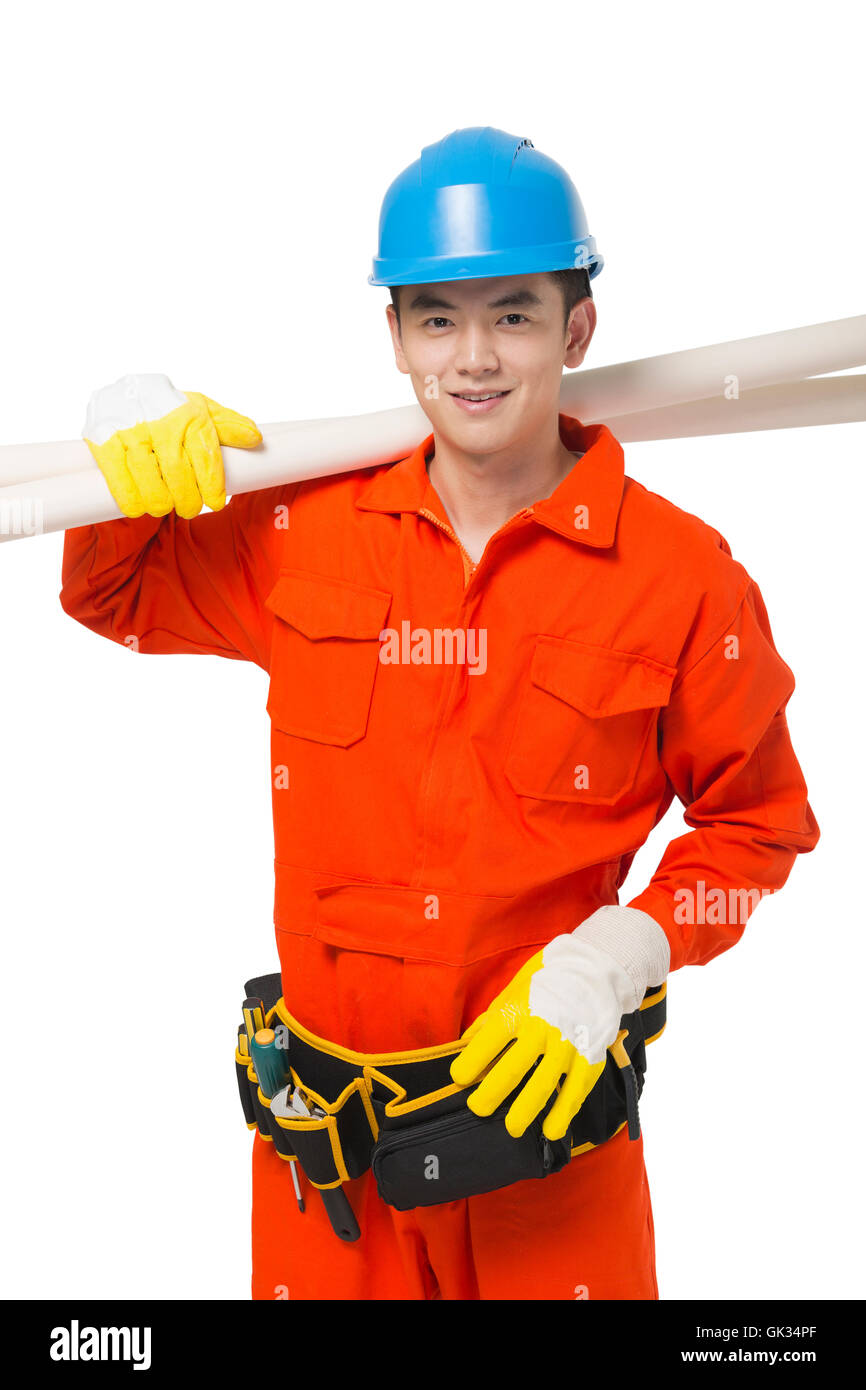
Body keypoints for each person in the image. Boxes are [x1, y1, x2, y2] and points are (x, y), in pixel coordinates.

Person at [59, 127, 819, 1300]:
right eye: (436, 319)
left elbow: (755, 826)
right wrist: (111, 466)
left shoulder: (682, 578)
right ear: (396, 337)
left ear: (576, 329)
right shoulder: (300, 528)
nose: (473, 358)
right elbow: (113, 591)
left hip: (541, 1168)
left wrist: (618, 955)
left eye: (512, 315)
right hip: (323, 1190)